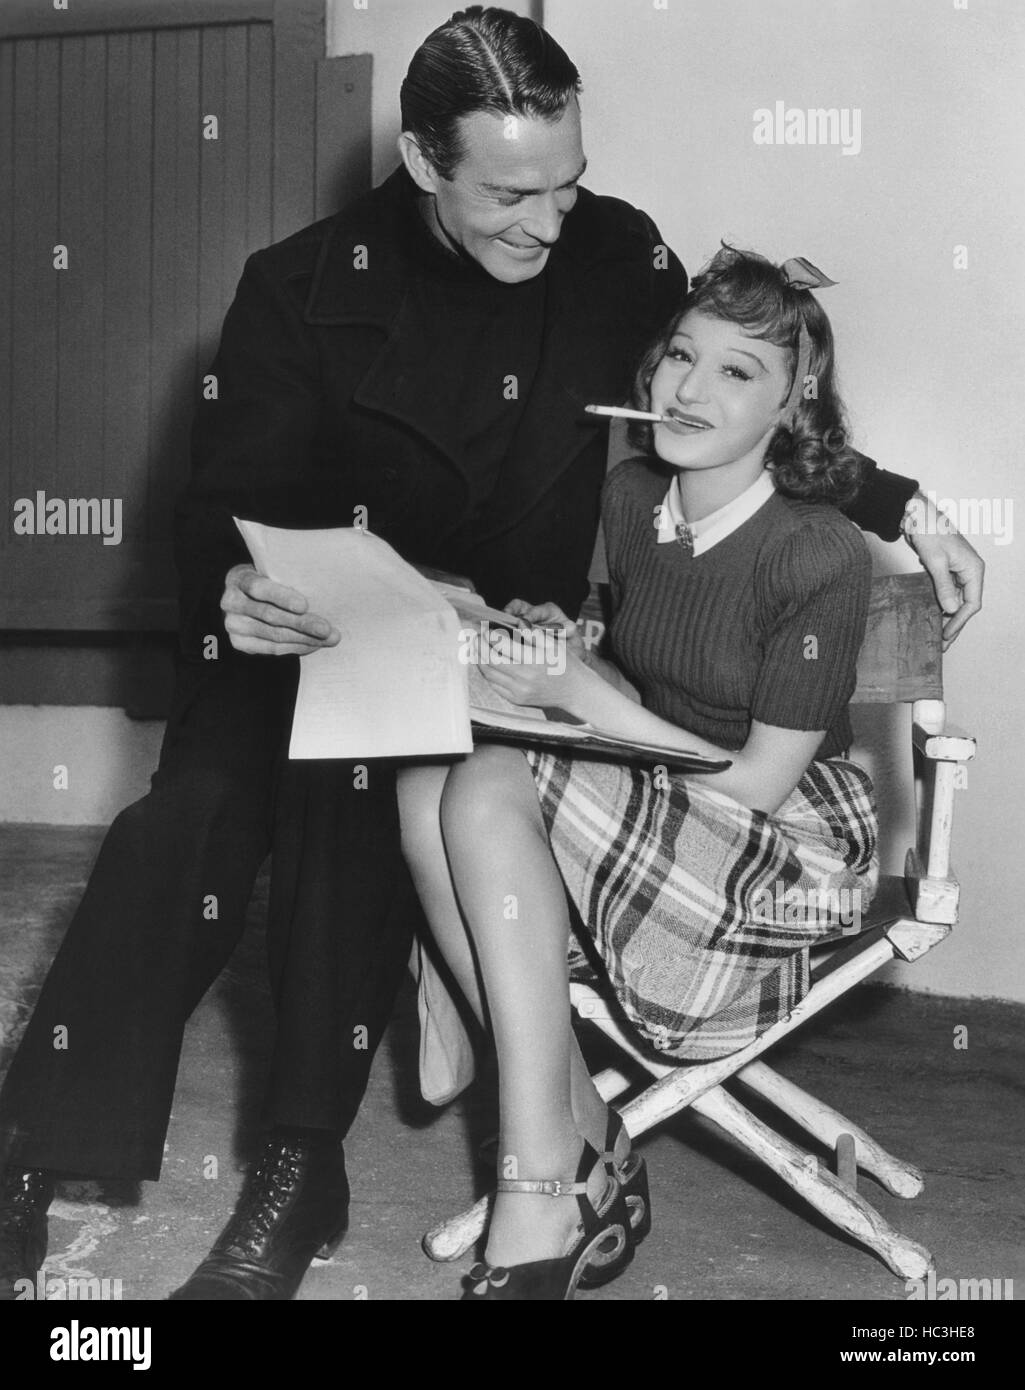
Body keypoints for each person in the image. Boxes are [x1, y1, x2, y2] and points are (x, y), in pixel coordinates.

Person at [0, 7, 981, 1303]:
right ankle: (26, 1152)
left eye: (566, 181)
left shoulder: (611, 251)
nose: (548, 216)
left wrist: (895, 498)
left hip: (501, 664)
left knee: (357, 805)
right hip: (305, 638)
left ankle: (297, 1171)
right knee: (182, 819)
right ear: (421, 160)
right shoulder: (296, 285)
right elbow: (219, 503)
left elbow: (743, 398)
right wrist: (238, 590)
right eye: (512, 192)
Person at [398, 246, 881, 1300]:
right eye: (677, 354)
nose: (686, 387)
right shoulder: (630, 495)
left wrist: (588, 698)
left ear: (793, 407)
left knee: (480, 783)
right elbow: (627, 656)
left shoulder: (822, 555)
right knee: (418, 775)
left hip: (782, 844)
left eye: (735, 371)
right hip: (666, 789)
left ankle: (541, 1172)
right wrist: (550, 642)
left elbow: (756, 779)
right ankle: (574, 1135)